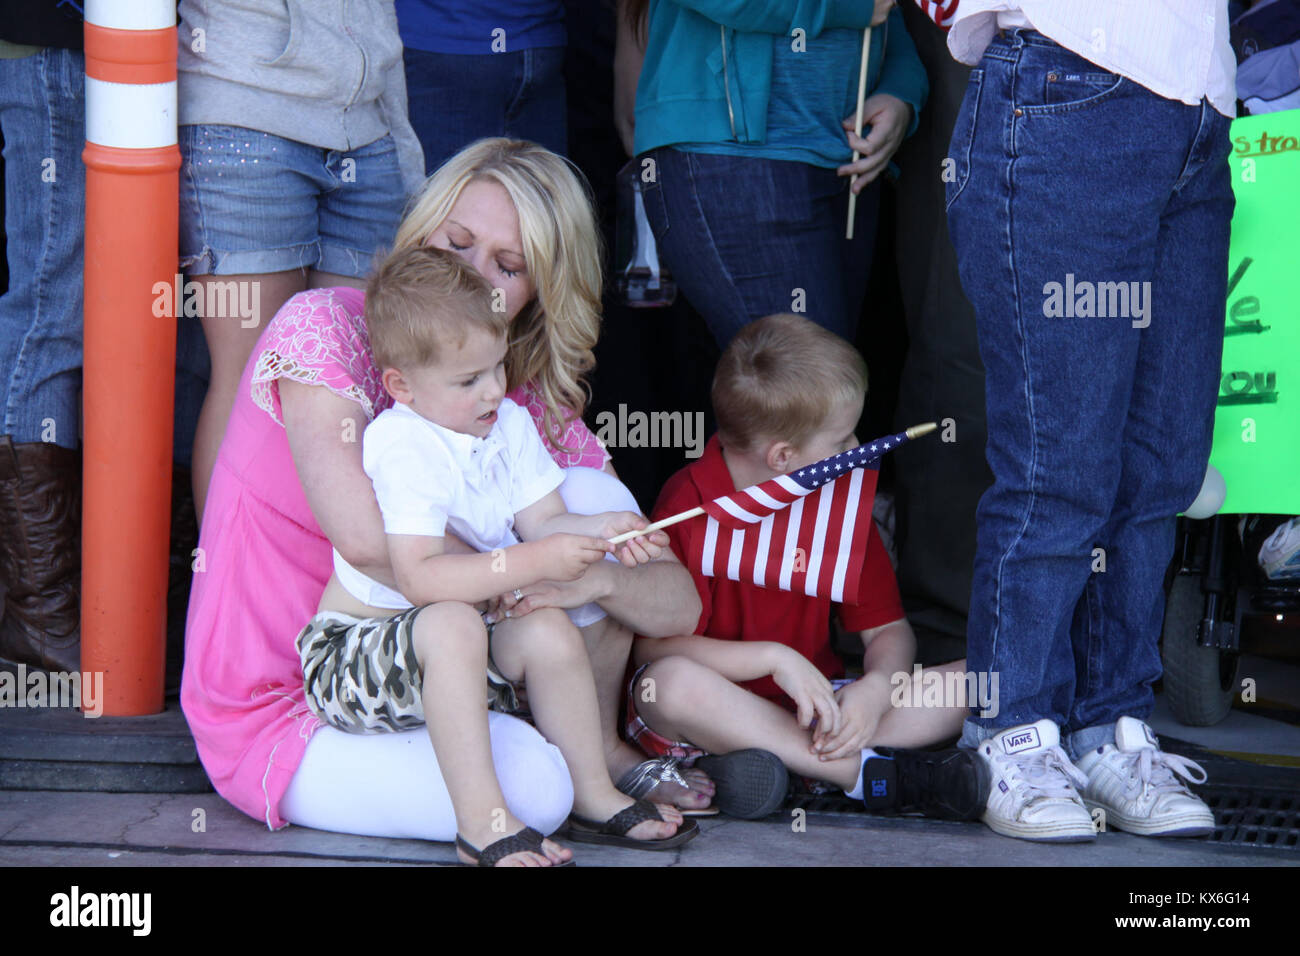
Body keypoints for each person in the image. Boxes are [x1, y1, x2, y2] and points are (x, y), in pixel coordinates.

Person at [182, 139, 710, 866]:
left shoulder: (511, 400)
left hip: (448, 658)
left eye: (509, 265)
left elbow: (677, 607)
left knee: (586, 497)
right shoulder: (325, 327)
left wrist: (598, 571)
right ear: (421, 230)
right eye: (456, 242)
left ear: (539, 291)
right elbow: (375, 546)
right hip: (310, 685)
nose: (471, 274)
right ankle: (554, 777)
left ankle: (599, 757)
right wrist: (545, 565)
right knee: (532, 788)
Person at [939, 1, 1232, 841]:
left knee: (1162, 465)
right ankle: (1009, 733)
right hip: (1070, 79)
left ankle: (1108, 729)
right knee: (1059, 462)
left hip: (1196, 105)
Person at [297, 244, 694, 863]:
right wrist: (538, 561)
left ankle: (591, 789)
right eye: (467, 380)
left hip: (451, 644)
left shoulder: (504, 424)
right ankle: (481, 823)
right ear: (401, 385)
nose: (491, 391)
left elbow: (546, 519)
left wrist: (605, 525)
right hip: (354, 657)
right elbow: (421, 579)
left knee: (544, 625)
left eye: (496, 368)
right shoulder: (404, 444)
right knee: (453, 620)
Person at [628, 314, 990, 819]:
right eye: (842, 440)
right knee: (665, 685)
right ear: (782, 456)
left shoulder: (836, 506)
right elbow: (650, 648)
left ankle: (789, 767)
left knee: (982, 676)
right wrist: (774, 658)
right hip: (717, 709)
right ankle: (866, 776)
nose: (855, 447)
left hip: (821, 711)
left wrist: (876, 690)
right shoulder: (687, 508)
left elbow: (889, 630)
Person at [176, 0, 426, 519]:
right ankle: (231, 590)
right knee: (247, 379)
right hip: (241, 109)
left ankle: (331, 592)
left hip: (369, 123)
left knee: (356, 380)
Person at [626, 0, 927, 347]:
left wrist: (901, 87)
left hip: (848, 158)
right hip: (733, 159)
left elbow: (887, 10)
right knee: (809, 386)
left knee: (832, 383)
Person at [0, 0, 85, 673]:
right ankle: (39, 611)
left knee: (183, 334)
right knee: (52, 308)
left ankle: (150, 605)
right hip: (55, 38)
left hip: (166, 50)